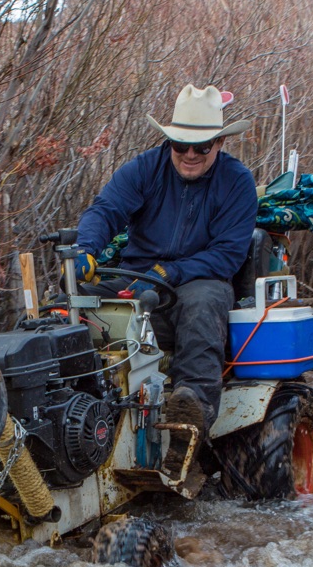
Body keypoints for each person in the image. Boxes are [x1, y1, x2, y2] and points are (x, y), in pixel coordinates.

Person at [73, 84, 258, 433]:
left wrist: (170, 271)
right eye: (180, 145)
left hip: (199, 282)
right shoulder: (144, 169)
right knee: (71, 302)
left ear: (219, 143)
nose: (190, 154)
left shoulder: (237, 183)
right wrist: (86, 249)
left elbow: (227, 256)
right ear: (169, 141)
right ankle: (78, 411)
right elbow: (106, 210)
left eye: (201, 146)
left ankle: (191, 414)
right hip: (139, 279)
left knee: (202, 303)